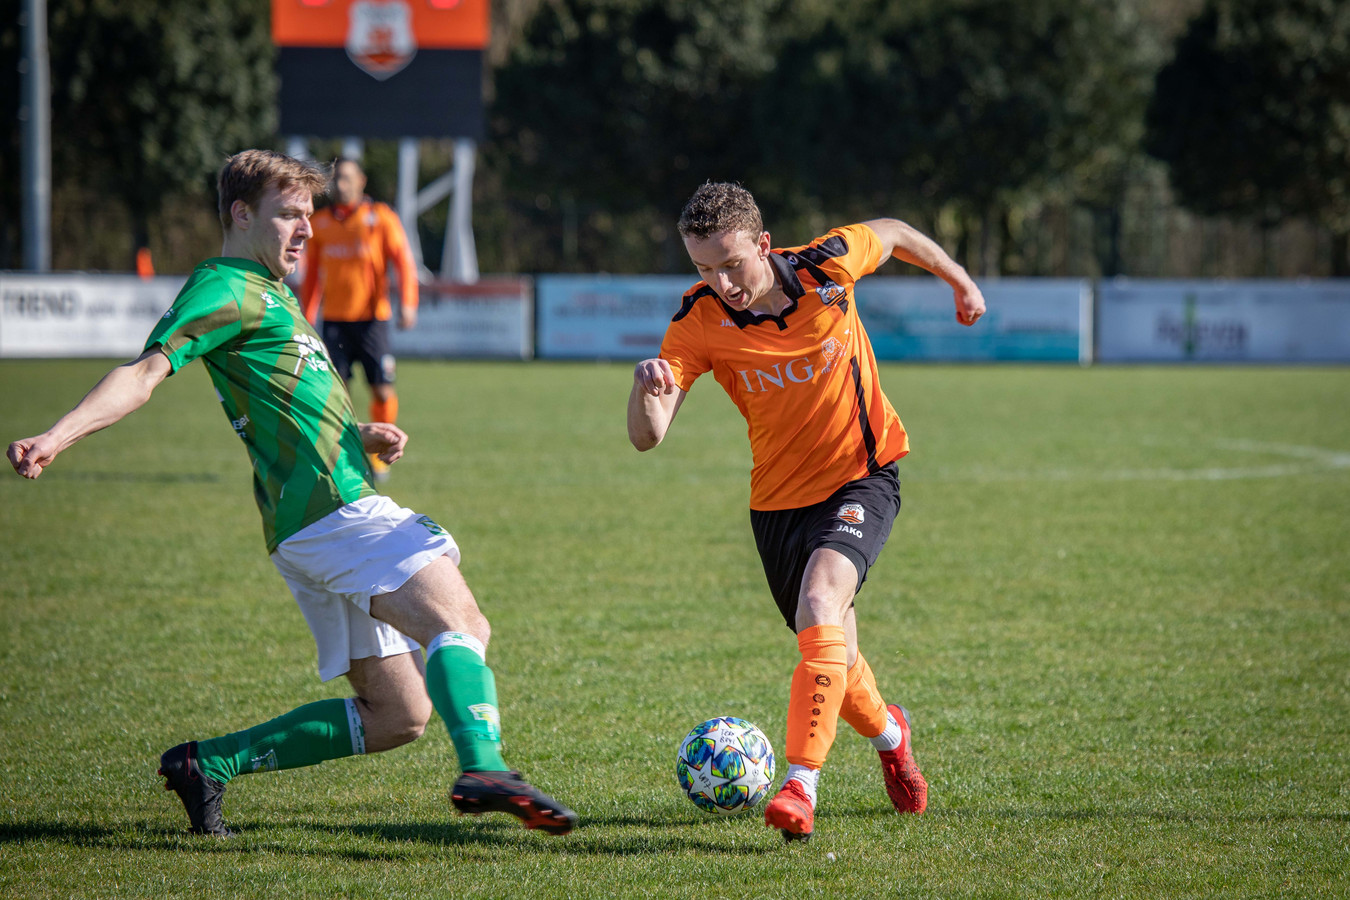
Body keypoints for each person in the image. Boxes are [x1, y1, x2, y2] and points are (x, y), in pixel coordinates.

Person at [8, 149, 576, 838]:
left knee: (399, 715)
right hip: (335, 514)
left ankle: (206, 765)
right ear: (241, 214)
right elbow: (145, 372)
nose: (305, 229)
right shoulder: (223, 287)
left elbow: (282, 398)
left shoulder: (272, 291)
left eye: (309, 215)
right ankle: (486, 766)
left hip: (312, 518)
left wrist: (357, 432)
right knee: (459, 620)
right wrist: (57, 436)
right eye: (288, 215)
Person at [628, 182, 985, 842]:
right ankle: (891, 734)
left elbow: (898, 229)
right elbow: (649, 435)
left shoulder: (828, 262)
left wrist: (958, 278)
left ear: (763, 244)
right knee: (834, 653)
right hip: (778, 506)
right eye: (704, 267)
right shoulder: (698, 319)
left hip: (862, 478)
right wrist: (646, 392)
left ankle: (800, 785)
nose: (721, 281)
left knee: (820, 607)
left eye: (731, 263)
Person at [301, 157, 419, 481]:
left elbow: (404, 262)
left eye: (347, 178)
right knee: (337, 394)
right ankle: (344, 455)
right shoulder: (320, 223)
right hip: (335, 322)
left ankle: (380, 455)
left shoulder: (380, 218)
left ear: (362, 181)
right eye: (336, 178)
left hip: (372, 320)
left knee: (382, 390)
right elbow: (312, 275)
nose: (340, 184)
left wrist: (408, 303)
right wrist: (306, 315)